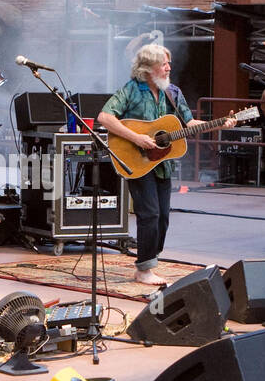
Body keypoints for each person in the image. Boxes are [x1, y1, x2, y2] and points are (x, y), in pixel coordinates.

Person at [97, 43, 228, 287]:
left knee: (163, 217)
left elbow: (189, 124)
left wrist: (220, 124)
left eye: (168, 63)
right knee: (149, 214)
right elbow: (105, 117)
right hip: (136, 160)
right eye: (163, 64)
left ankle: (150, 260)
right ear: (148, 68)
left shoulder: (173, 93)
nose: (169, 68)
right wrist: (137, 138)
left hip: (162, 164)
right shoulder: (131, 90)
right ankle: (144, 269)